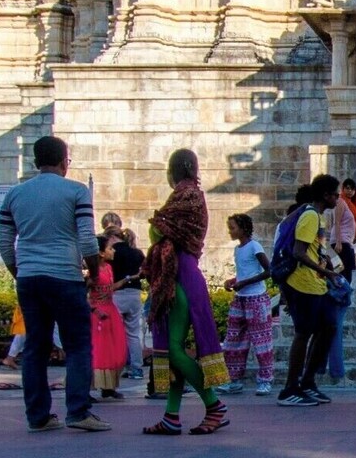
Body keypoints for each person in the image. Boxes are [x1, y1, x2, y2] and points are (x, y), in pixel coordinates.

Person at [0, 136, 110, 432]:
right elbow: (87, 239)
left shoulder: (15, 194)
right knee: (77, 346)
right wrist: (95, 271)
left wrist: (18, 272)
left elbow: (4, 242)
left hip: (29, 279)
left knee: (36, 346)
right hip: (65, 277)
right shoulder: (76, 191)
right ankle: (78, 411)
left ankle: (38, 416)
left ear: (36, 162)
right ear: (64, 162)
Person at [141, 149, 230, 435]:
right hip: (184, 273)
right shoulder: (192, 195)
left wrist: (156, 231)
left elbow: (158, 232)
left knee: (175, 351)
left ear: (173, 171)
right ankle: (171, 416)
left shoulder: (184, 195)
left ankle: (214, 405)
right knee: (170, 349)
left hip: (177, 276)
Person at [278, 176, 344, 407]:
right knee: (303, 333)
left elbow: (315, 250)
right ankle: (290, 388)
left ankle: (307, 382)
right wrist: (326, 272)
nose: (338, 198)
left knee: (328, 328)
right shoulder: (310, 216)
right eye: (336, 194)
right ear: (326, 195)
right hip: (303, 284)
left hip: (316, 285)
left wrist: (326, 267)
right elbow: (299, 252)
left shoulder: (319, 217)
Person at [219, 214, 276, 396]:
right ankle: (234, 379)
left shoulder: (255, 246)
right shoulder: (238, 249)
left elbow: (269, 271)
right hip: (241, 299)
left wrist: (245, 283)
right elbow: (244, 273)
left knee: (261, 342)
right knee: (234, 341)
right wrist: (234, 281)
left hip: (256, 299)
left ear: (243, 229)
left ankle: (265, 380)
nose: (230, 231)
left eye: (233, 227)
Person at [320, 178, 356, 382]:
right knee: (347, 274)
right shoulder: (342, 203)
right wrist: (335, 241)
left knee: (348, 273)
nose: (347, 191)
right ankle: (342, 295)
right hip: (342, 243)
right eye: (345, 188)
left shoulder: (350, 204)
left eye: (351, 188)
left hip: (345, 242)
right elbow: (336, 222)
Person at [101, 212, 148, 381]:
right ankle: (136, 368)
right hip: (135, 294)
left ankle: (115, 366)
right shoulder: (136, 253)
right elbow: (144, 272)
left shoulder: (111, 254)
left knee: (114, 332)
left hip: (117, 294)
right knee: (133, 333)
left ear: (112, 237)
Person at [90, 234, 129, 402]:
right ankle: (86, 389)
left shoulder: (108, 268)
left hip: (110, 311)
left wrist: (129, 279)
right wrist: (94, 310)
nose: (113, 250)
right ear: (100, 253)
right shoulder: (92, 271)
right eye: (110, 248)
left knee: (115, 349)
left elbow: (109, 288)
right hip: (97, 315)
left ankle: (108, 388)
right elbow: (82, 293)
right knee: (97, 352)